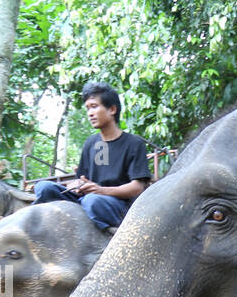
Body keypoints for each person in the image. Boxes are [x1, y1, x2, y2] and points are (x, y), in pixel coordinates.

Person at [32, 82, 151, 231]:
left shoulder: (134, 143)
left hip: (117, 204)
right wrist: (78, 185)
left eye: (94, 106)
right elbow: (82, 179)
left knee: (92, 201)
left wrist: (101, 190)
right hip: (89, 198)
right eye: (88, 108)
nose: (90, 113)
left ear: (112, 109)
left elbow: (136, 188)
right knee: (44, 187)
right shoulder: (91, 143)